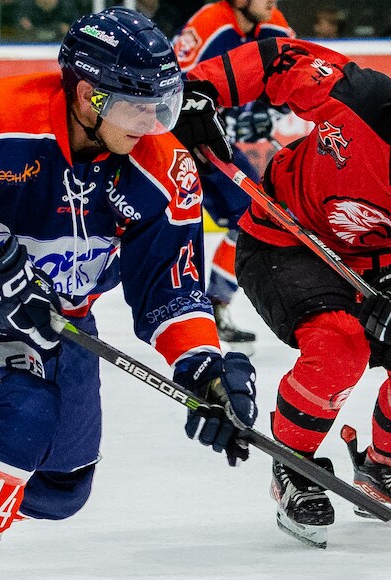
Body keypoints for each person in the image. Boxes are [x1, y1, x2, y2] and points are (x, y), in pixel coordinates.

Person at [0, 9, 257, 580]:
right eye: (139, 105)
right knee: (22, 413)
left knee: (61, 489)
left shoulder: (163, 166)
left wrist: (202, 366)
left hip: (63, 315)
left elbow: (173, 288)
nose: (155, 122)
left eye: (164, 103)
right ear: (87, 94)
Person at [174, 39, 391, 547]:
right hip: (282, 242)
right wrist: (197, 90)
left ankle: (386, 467)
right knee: (338, 347)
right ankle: (294, 466)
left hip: (375, 269)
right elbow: (274, 60)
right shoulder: (359, 97)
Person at [171, 0, 295, 350]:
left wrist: (264, 112)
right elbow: (170, 90)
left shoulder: (272, 22)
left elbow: (290, 78)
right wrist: (220, 118)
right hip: (173, 140)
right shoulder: (212, 23)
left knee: (254, 214)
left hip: (213, 144)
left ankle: (215, 306)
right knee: (163, 223)